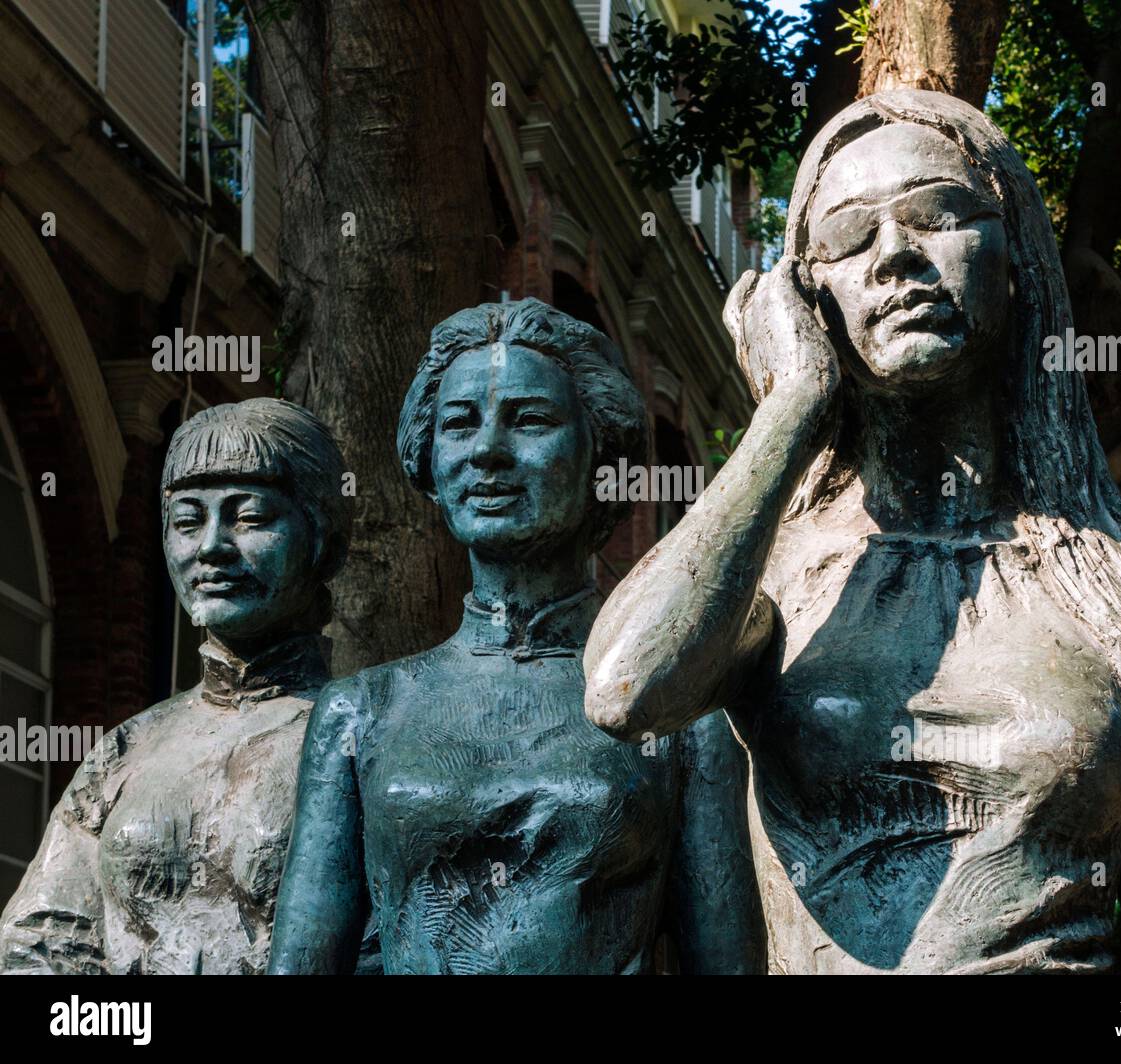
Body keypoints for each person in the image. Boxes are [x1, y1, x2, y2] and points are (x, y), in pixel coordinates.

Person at [583, 91, 1121, 974]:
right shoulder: (770, 580)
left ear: (1017, 261)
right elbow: (625, 688)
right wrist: (791, 409)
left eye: (938, 215)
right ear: (806, 299)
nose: (896, 255)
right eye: (852, 237)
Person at [268, 299, 762, 974]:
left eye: (529, 419)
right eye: (460, 423)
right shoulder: (361, 712)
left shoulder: (679, 719)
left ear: (599, 455)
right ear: (430, 463)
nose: (489, 451)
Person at [0, 398, 353, 974]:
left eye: (251, 518)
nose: (211, 547)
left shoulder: (367, 735)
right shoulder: (124, 752)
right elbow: (37, 942)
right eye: (188, 521)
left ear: (322, 540)